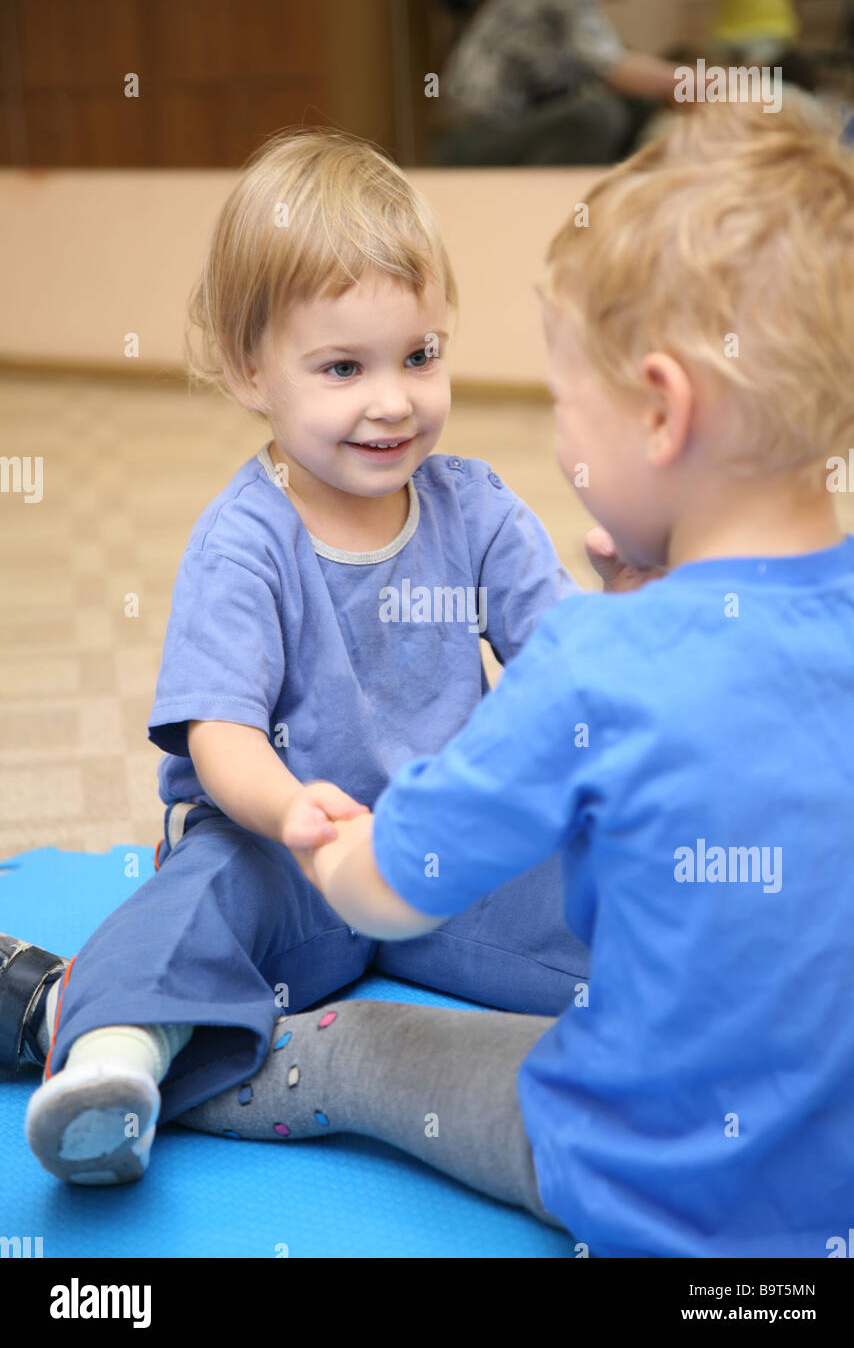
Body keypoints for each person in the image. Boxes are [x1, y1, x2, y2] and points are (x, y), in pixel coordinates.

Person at [167, 98, 854, 1255]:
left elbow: (391, 889)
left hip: (644, 1182)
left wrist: (332, 846)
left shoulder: (596, 664)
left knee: (363, 1045)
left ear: (659, 409)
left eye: (562, 402)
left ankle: (166, 1063)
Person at [3, 126, 629, 1188]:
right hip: (284, 854)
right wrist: (291, 810)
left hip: (439, 846)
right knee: (195, 901)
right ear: (252, 371)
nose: (391, 399)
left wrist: (630, 610)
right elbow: (220, 731)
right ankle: (112, 1051)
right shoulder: (246, 537)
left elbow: (563, 667)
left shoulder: (473, 506)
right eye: (343, 367)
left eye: (418, 356)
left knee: (607, 889)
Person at [433, 0, 697, 165]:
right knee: (596, 117)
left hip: (490, 135)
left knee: (632, 106)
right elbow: (615, 68)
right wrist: (700, 82)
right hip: (472, 140)